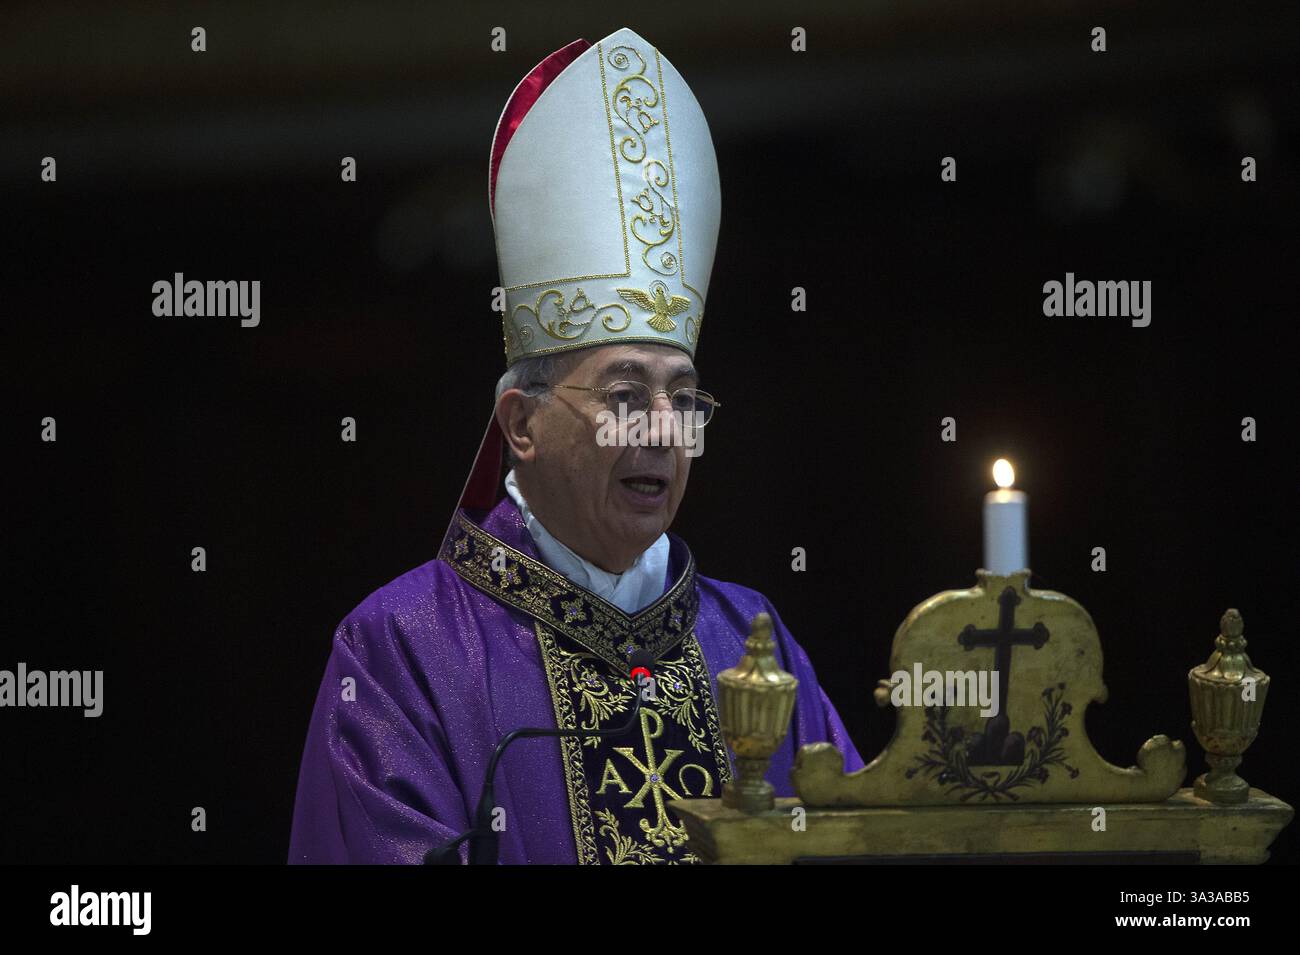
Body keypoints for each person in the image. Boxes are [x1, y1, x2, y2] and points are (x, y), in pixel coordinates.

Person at [288, 26, 863, 865]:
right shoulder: (401, 651)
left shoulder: (754, 647)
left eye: (683, 396)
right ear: (520, 422)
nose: (662, 428)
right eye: (626, 394)